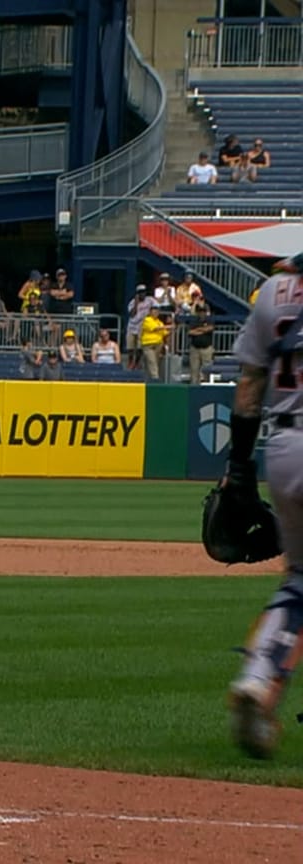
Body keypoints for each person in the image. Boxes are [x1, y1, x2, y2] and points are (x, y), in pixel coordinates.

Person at [223, 251, 303, 760]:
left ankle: (257, 677)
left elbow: (250, 384)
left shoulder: (274, 292)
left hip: (285, 449)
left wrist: (239, 467)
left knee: (299, 581)